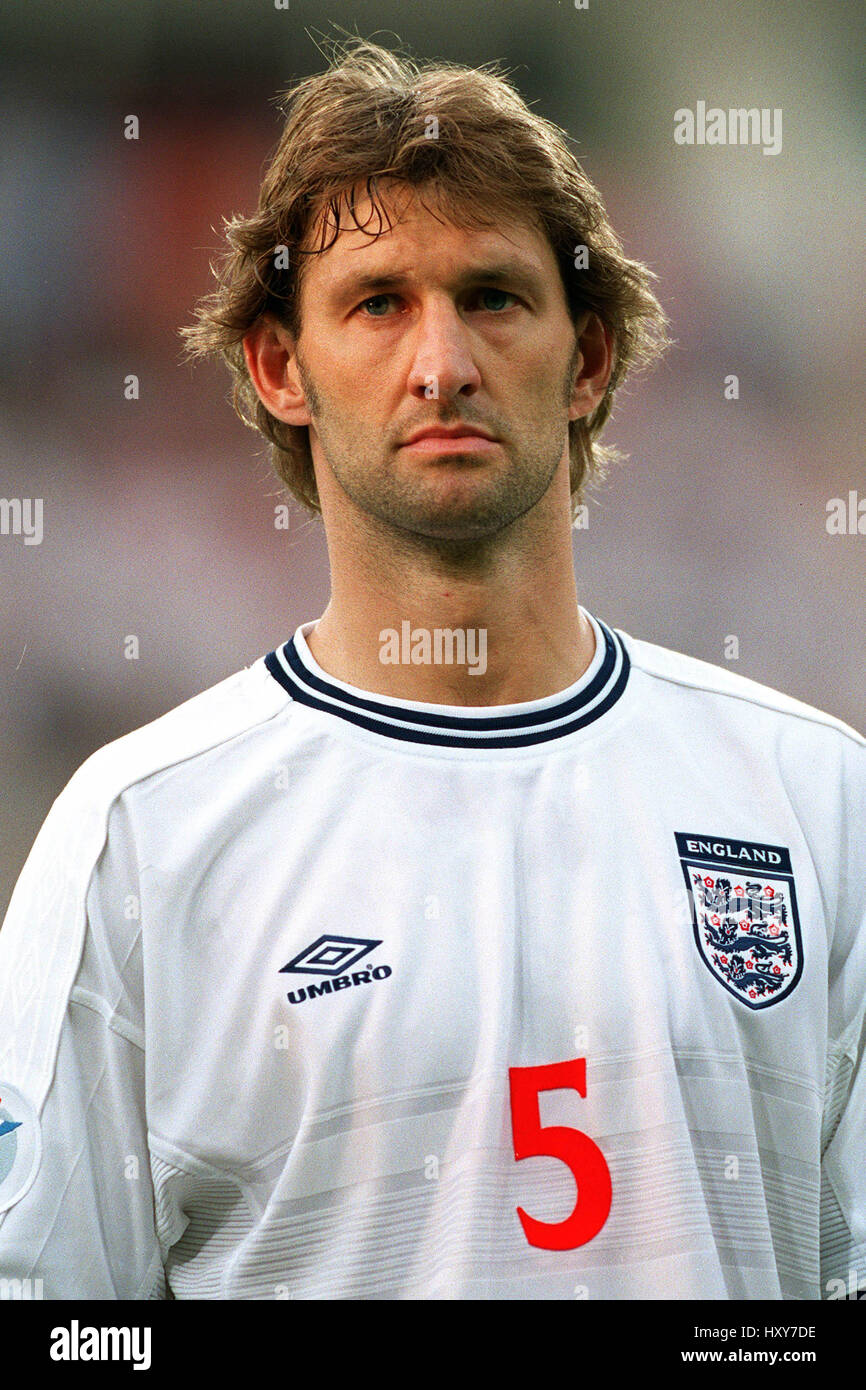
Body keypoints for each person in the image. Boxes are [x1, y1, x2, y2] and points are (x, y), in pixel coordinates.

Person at [0, 36, 863, 1302]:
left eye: (495, 296)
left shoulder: (815, 799)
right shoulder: (140, 838)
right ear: (279, 367)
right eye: (377, 302)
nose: (441, 363)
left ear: (588, 359)